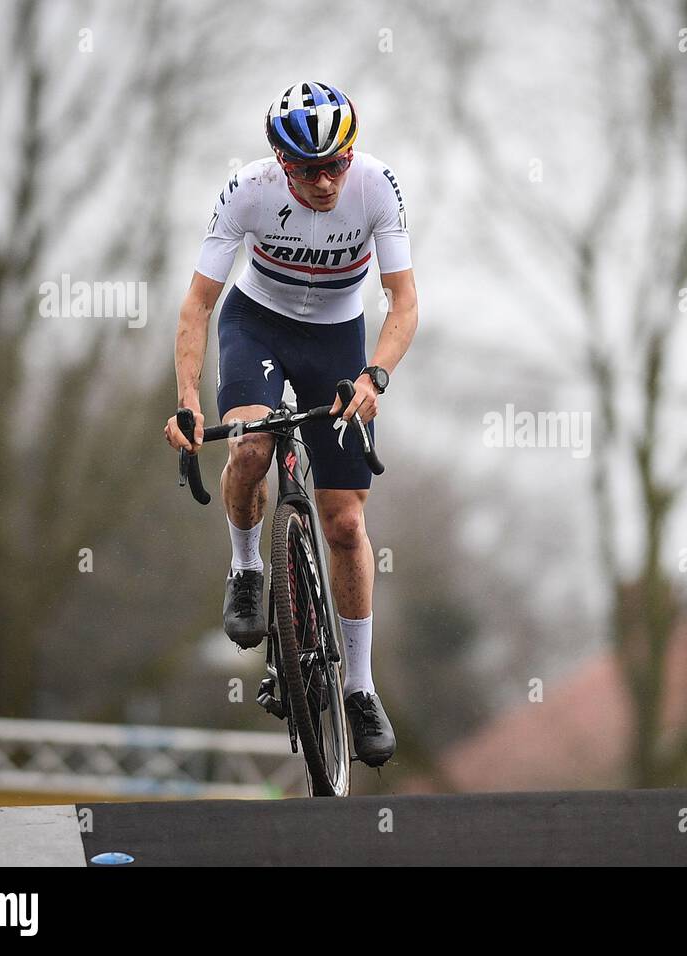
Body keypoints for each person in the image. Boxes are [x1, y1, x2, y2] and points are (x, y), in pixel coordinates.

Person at [163, 81, 417, 767]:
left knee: (344, 523)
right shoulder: (247, 191)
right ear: (281, 162)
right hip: (259, 327)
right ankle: (247, 567)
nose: (328, 181)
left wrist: (374, 377)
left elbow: (403, 304)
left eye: (338, 162)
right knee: (249, 448)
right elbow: (197, 305)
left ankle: (359, 688)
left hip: (338, 339)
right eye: (310, 170)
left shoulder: (376, 187)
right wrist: (188, 396)